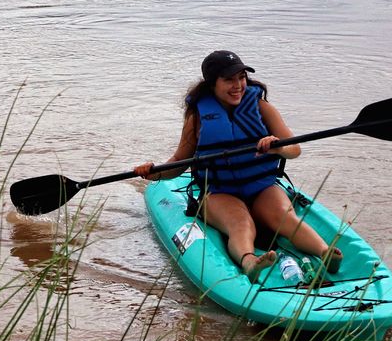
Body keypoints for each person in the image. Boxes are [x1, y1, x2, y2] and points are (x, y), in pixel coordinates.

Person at [135, 50, 341, 283]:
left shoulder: (261, 108)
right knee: (240, 222)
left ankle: (325, 253)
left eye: (242, 77)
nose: (238, 85)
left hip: (261, 186)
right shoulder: (198, 117)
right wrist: (153, 172)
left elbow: (295, 150)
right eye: (229, 80)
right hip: (220, 191)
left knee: (284, 217)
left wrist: (277, 148)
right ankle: (249, 261)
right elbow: (179, 163)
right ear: (212, 84)